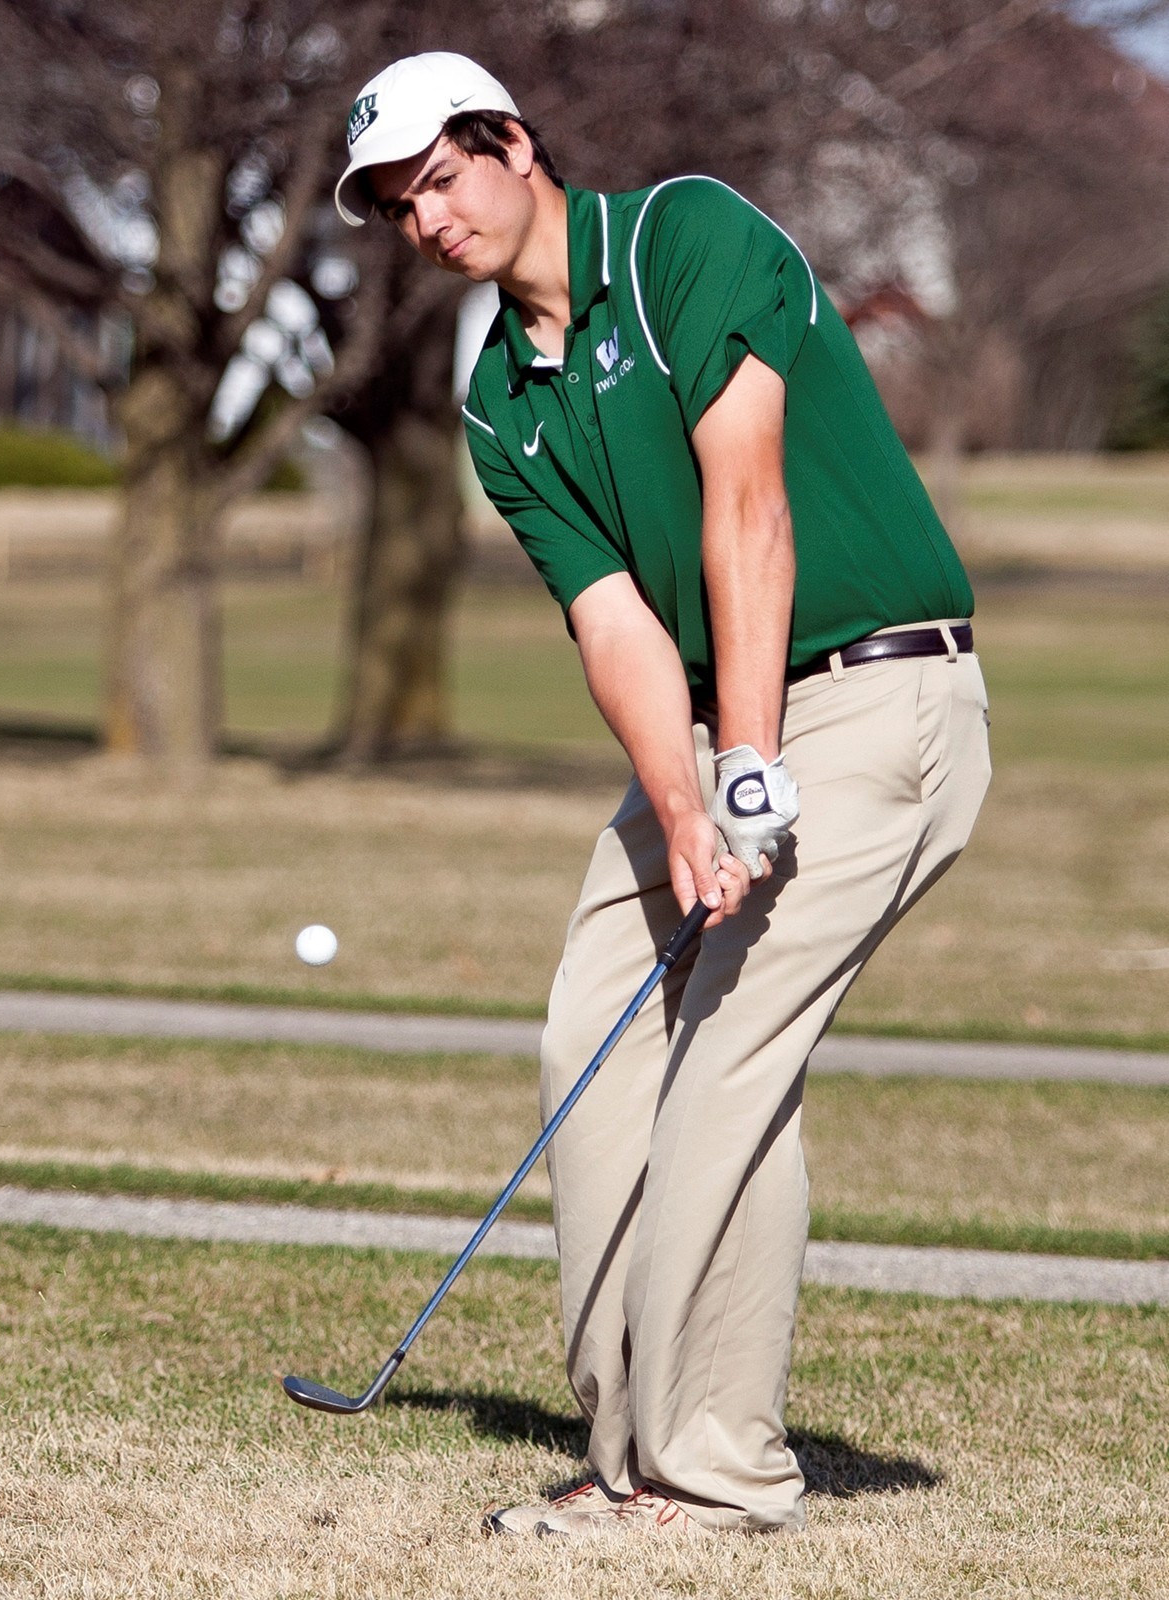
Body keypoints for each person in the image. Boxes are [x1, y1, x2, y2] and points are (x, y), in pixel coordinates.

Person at [334, 51, 991, 1539]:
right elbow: (615, 621)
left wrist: (748, 764)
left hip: (876, 691)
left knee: (723, 1056)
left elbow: (742, 503)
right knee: (593, 1030)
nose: (427, 220)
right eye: (394, 207)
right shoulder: (500, 397)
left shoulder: (685, 238)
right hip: (709, 726)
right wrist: (684, 805)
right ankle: (624, 1450)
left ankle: (716, 1472)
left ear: (513, 143)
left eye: (441, 178)